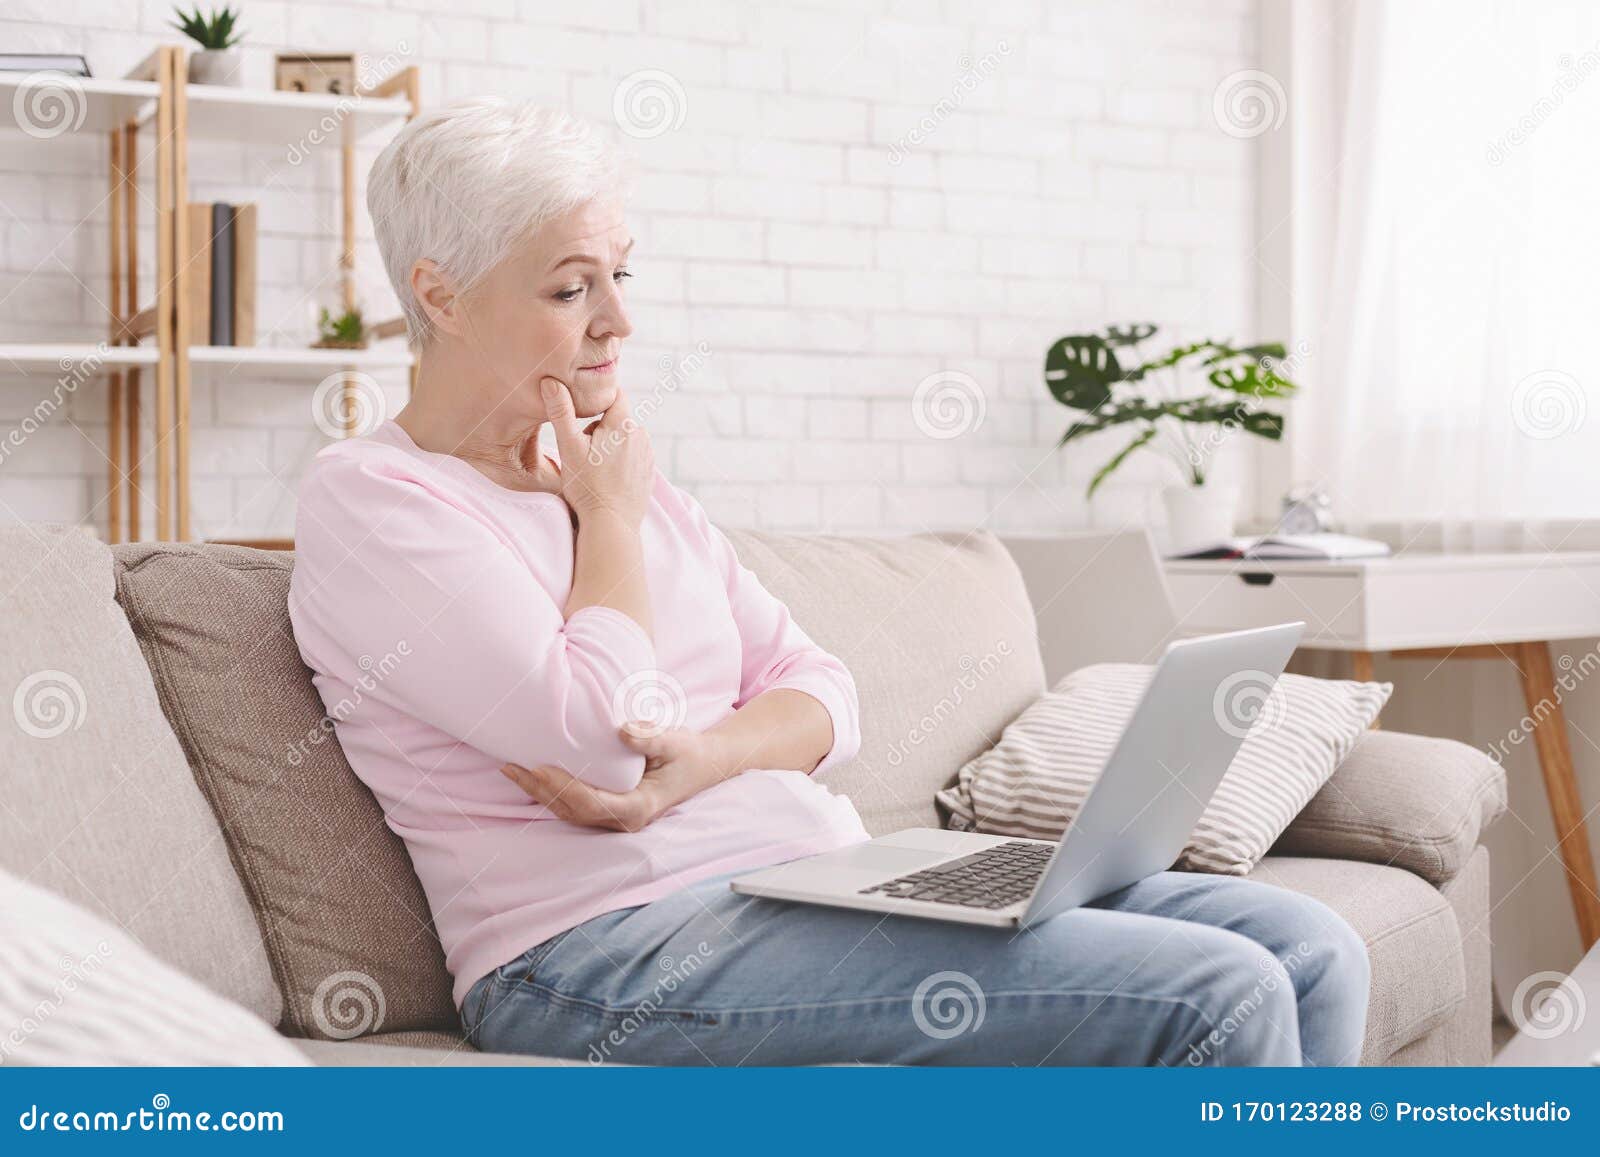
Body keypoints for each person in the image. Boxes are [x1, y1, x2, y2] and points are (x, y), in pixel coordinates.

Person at [288, 98, 1370, 1066]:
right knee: (1218, 992)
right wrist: (607, 516)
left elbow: (826, 692)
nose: (619, 319)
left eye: (623, 273)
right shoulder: (382, 500)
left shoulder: (628, 479)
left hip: (820, 875)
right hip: (601, 952)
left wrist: (702, 756)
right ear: (442, 295)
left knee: (1310, 947)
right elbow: (597, 736)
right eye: (571, 287)